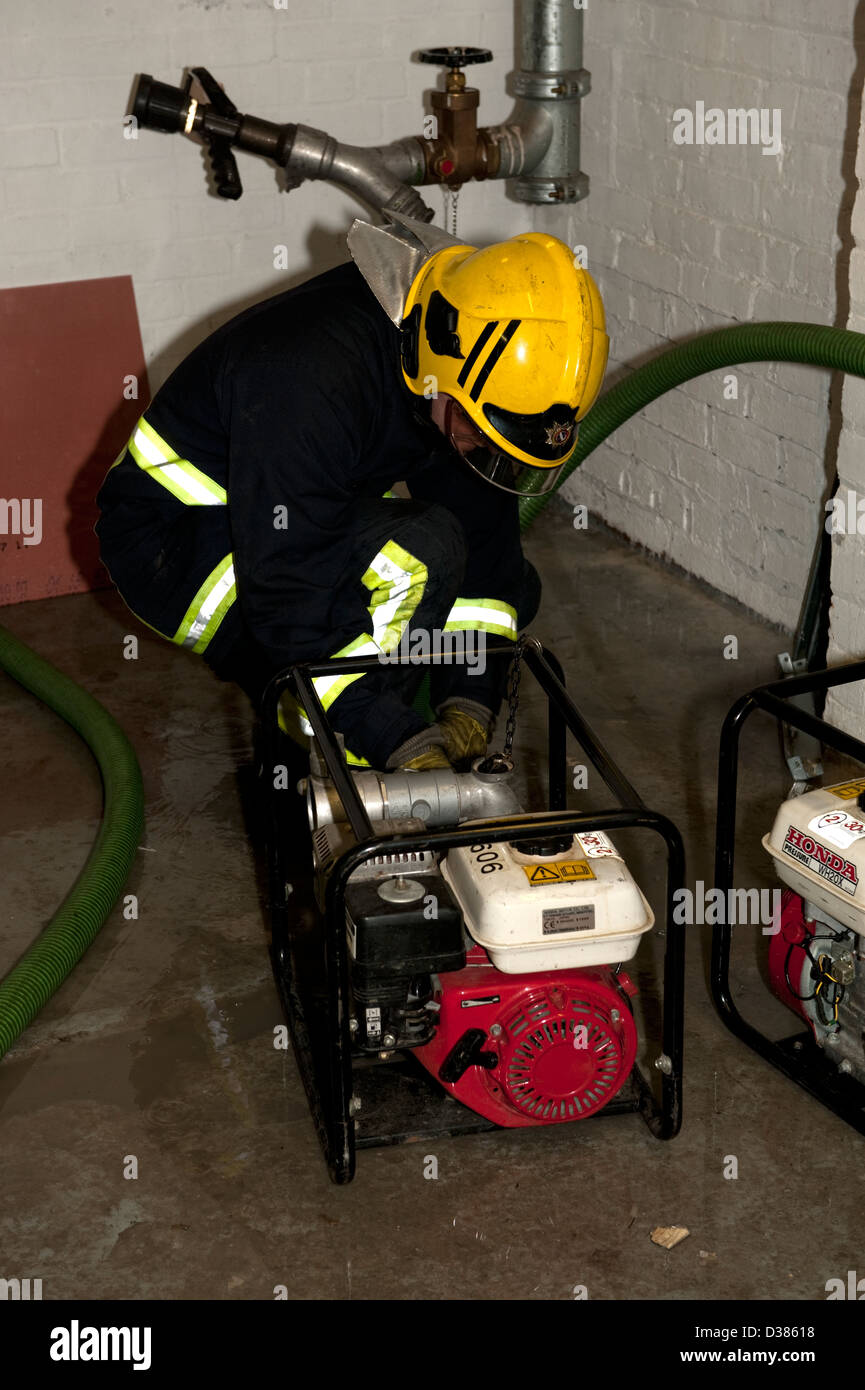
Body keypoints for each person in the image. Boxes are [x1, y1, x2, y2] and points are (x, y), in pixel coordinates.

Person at [95, 214, 608, 770]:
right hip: (180, 545)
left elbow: (487, 548)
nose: (483, 450)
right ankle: (336, 754)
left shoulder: (450, 349)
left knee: (510, 586)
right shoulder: (305, 373)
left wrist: (469, 701)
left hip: (281, 503)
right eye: (481, 435)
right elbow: (289, 584)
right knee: (420, 556)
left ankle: (361, 715)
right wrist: (392, 737)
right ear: (448, 370)